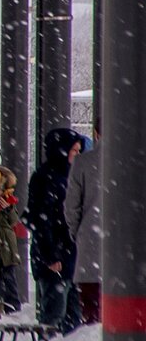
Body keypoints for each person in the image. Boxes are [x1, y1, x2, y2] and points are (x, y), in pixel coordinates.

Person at [24, 127, 83, 333]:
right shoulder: (48, 178)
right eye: (74, 151)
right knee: (55, 315)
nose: (77, 156)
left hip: (68, 256)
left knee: (72, 315)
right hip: (55, 257)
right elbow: (42, 220)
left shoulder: (69, 177)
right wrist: (50, 255)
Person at [65, 120, 102, 325]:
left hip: (91, 252)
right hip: (131, 261)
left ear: (96, 133)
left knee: (92, 317)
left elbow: (71, 207)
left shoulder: (83, 163)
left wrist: (79, 233)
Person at [0, 145, 22, 314]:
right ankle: (8, 310)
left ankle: (12, 311)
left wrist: (8, 207)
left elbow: (14, 221)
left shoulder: (6, 187)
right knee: (0, 278)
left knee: (8, 280)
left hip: (5, 243)